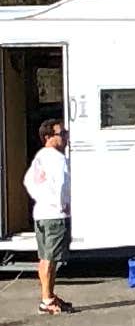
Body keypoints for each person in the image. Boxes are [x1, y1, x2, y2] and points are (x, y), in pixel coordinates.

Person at [24, 118, 72, 315]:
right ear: (48, 137)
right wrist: (61, 204)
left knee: (45, 257)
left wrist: (41, 198)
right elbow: (62, 185)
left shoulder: (40, 157)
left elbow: (28, 181)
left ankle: (49, 295)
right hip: (54, 215)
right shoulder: (57, 158)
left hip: (42, 213)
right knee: (51, 259)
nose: (66, 138)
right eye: (62, 134)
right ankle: (46, 300)